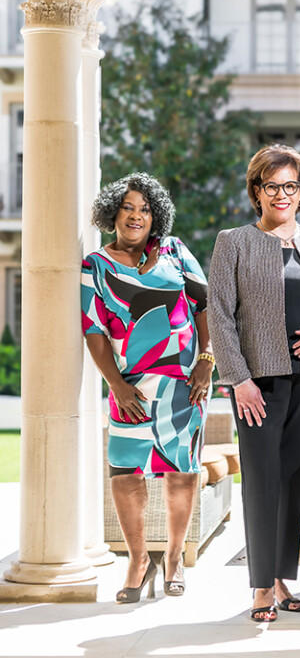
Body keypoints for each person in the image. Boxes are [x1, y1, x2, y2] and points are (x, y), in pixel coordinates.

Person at [207, 143, 300, 622]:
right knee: (261, 479)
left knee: (293, 478)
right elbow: (221, 317)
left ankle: (281, 577)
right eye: (272, 186)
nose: (282, 194)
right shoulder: (234, 241)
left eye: (291, 185)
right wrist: (238, 381)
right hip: (257, 384)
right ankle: (259, 588)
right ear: (257, 191)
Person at [81, 172, 212, 603]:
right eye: (128, 207)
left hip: (183, 384)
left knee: (181, 472)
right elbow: (94, 329)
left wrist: (206, 361)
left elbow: (205, 305)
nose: (137, 216)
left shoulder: (174, 250)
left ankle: (173, 557)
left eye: (145, 209)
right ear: (113, 214)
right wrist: (115, 385)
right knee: (125, 472)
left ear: (156, 216)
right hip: (131, 387)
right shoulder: (96, 265)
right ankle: (138, 561)